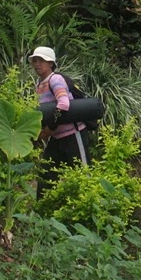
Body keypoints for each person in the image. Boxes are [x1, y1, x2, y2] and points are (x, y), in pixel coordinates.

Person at [29, 46, 89, 199]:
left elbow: (63, 104)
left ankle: (90, 212)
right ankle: (42, 212)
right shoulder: (39, 84)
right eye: (35, 60)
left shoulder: (55, 80)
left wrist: (51, 128)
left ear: (51, 63)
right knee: (46, 174)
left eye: (41, 60)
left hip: (73, 134)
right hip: (56, 138)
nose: (37, 64)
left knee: (83, 175)